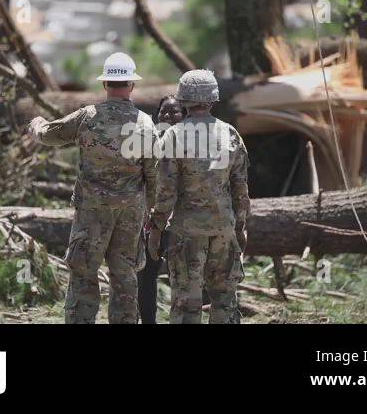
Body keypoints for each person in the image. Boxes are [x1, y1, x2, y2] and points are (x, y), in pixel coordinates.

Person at [29, 52, 158, 324]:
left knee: (83, 271)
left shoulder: (88, 116)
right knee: (124, 275)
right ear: (132, 85)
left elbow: (50, 136)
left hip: (91, 212)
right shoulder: (146, 123)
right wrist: (152, 213)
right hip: (130, 214)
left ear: (105, 84)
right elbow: (154, 175)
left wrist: (37, 126)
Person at [148, 70, 250, 324]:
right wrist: (241, 225)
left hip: (187, 231)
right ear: (213, 99)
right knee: (225, 299)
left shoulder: (173, 135)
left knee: (186, 303)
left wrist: (157, 227)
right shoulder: (230, 133)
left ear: (183, 101)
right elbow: (240, 187)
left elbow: (166, 191)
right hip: (223, 229)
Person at [137, 95, 185, 324]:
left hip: (183, 222)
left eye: (174, 111)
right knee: (146, 276)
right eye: (164, 111)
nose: (167, 116)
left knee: (186, 277)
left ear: (184, 114)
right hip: (152, 220)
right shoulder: (149, 143)